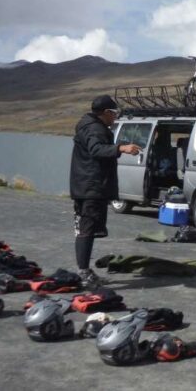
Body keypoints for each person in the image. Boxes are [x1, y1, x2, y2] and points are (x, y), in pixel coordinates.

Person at [70, 95, 141, 288]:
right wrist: (121, 148)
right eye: (114, 113)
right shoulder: (94, 128)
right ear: (106, 112)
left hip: (86, 186)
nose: (116, 118)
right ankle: (83, 273)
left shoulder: (89, 125)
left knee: (86, 229)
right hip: (91, 187)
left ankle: (84, 270)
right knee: (86, 229)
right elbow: (96, 149)